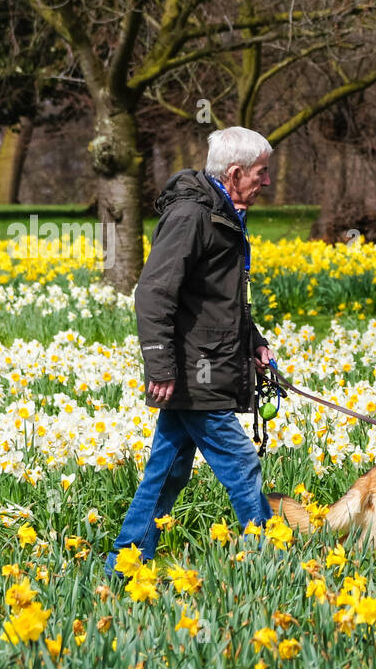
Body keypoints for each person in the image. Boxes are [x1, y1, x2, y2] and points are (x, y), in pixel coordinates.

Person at [105, 126, 275, 578]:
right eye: (262, 172)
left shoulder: (220, 213)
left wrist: (254, 343)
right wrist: (160, 366)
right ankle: (271, 561)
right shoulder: (191, 216)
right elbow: (153, 294)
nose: (268, 181)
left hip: (208, 362)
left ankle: (123, 567)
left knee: (165, 473)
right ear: (235, 173)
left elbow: (217, 299)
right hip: (196, 369)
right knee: (241, 464)